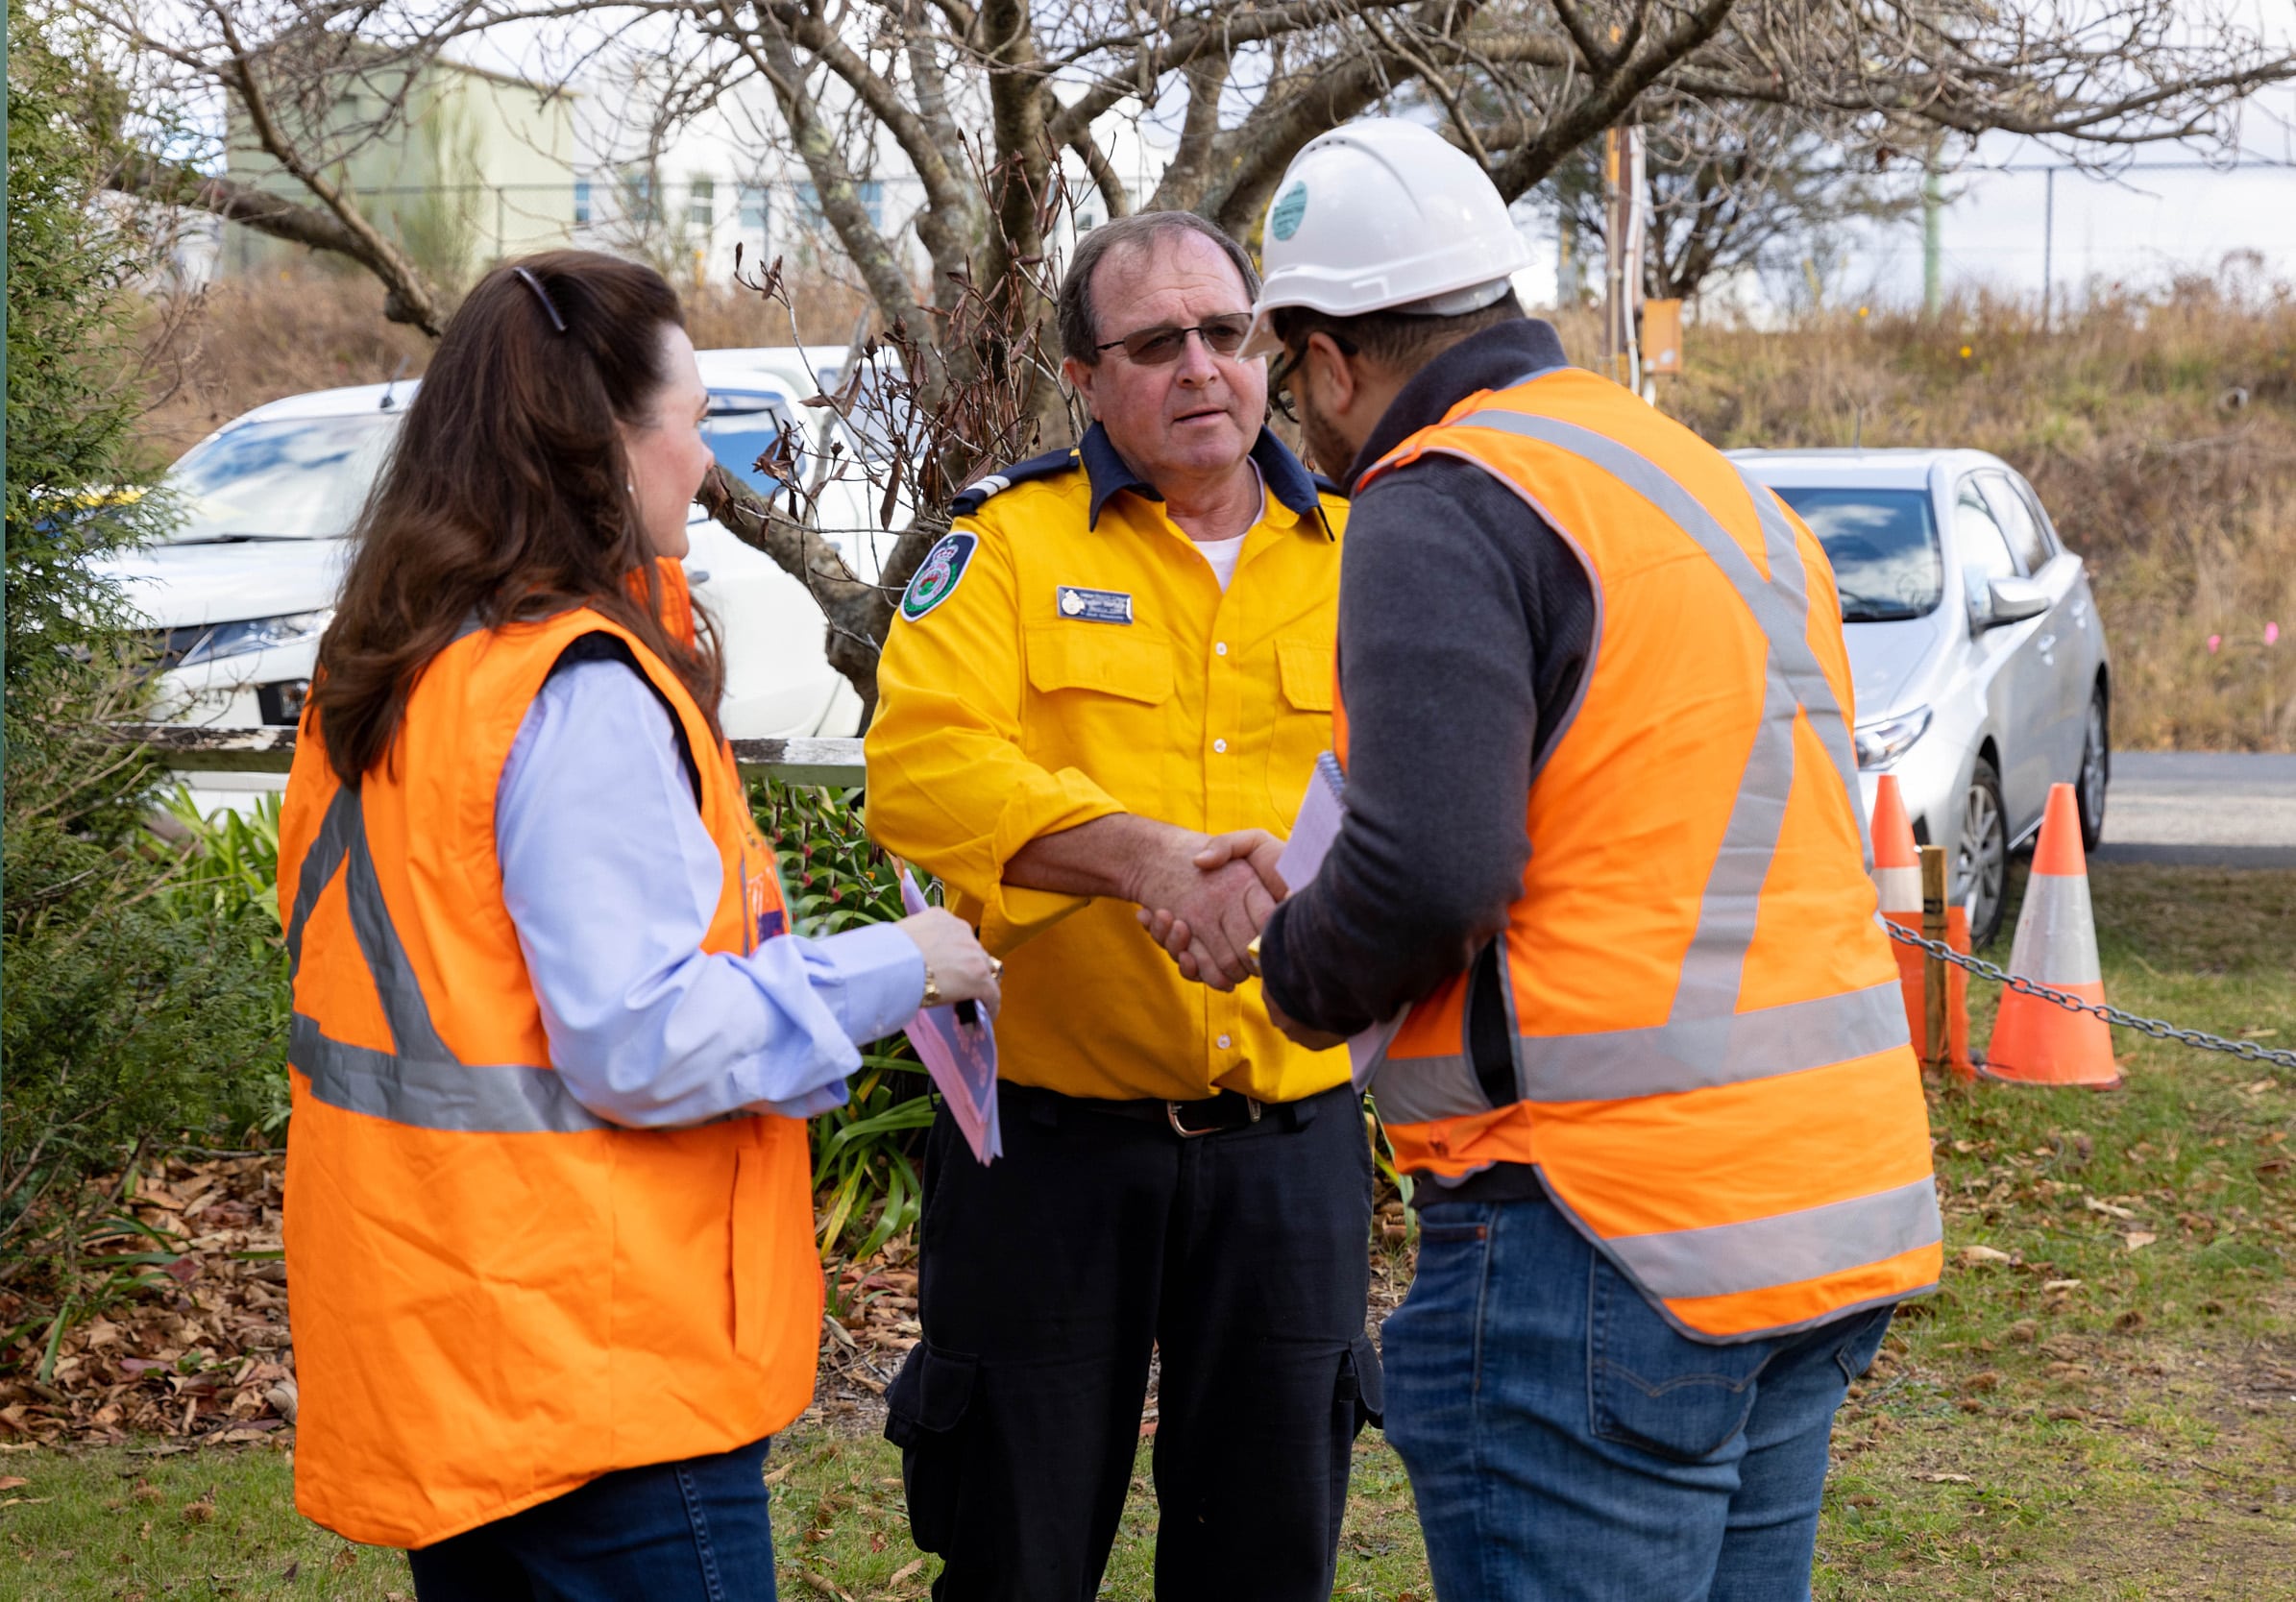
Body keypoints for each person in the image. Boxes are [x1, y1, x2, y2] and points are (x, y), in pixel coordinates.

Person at [1232, 120, 1944, 1600]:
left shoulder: (1441, 493)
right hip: (1808, 1205)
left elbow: (1433, 867)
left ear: (1327, 358)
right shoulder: (1692, 477)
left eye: (1287, 379)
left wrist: (1289, 961)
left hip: (1596, 1231)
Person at [275, 250, 999, 1600]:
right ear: (603, 441)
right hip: (600, 1377)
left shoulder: (393, 659)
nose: (705, 469)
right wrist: (900, 964)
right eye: (693, 422)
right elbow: (643, 1038)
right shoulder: (576, 690)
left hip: (456, 1347)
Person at [862, 211, 1373, 1602]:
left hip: (1290, 1145)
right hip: (1051, 1155)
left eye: (1226, 334)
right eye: (1154, 345)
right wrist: (1143, 859)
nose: (1201, 369)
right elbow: (918, 769)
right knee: (1016, 1554)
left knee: (1264, 1560)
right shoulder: (1008, 545)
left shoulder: (1366, 550)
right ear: (1083, 379)